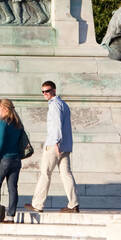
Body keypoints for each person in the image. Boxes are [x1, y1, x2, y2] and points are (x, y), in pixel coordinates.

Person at [22, 81, 79, 213]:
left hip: (55, 145)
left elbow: (57, 125)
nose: (45, 94)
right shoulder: (64, 104)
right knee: (66, 174)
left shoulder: (54, 105)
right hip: (65, 145)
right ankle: (73, 203)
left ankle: (37, 204)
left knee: (45, 173)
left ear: (53, 90)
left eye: (47, 91)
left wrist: (56, 142)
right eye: (43, 91)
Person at [0, 99, 27, 221]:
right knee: (12, 188)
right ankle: (10, 216)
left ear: (5, 108)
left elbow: (0, 142)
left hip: (4, 159)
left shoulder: (3, 123)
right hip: (16, 159)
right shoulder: (18, 123)